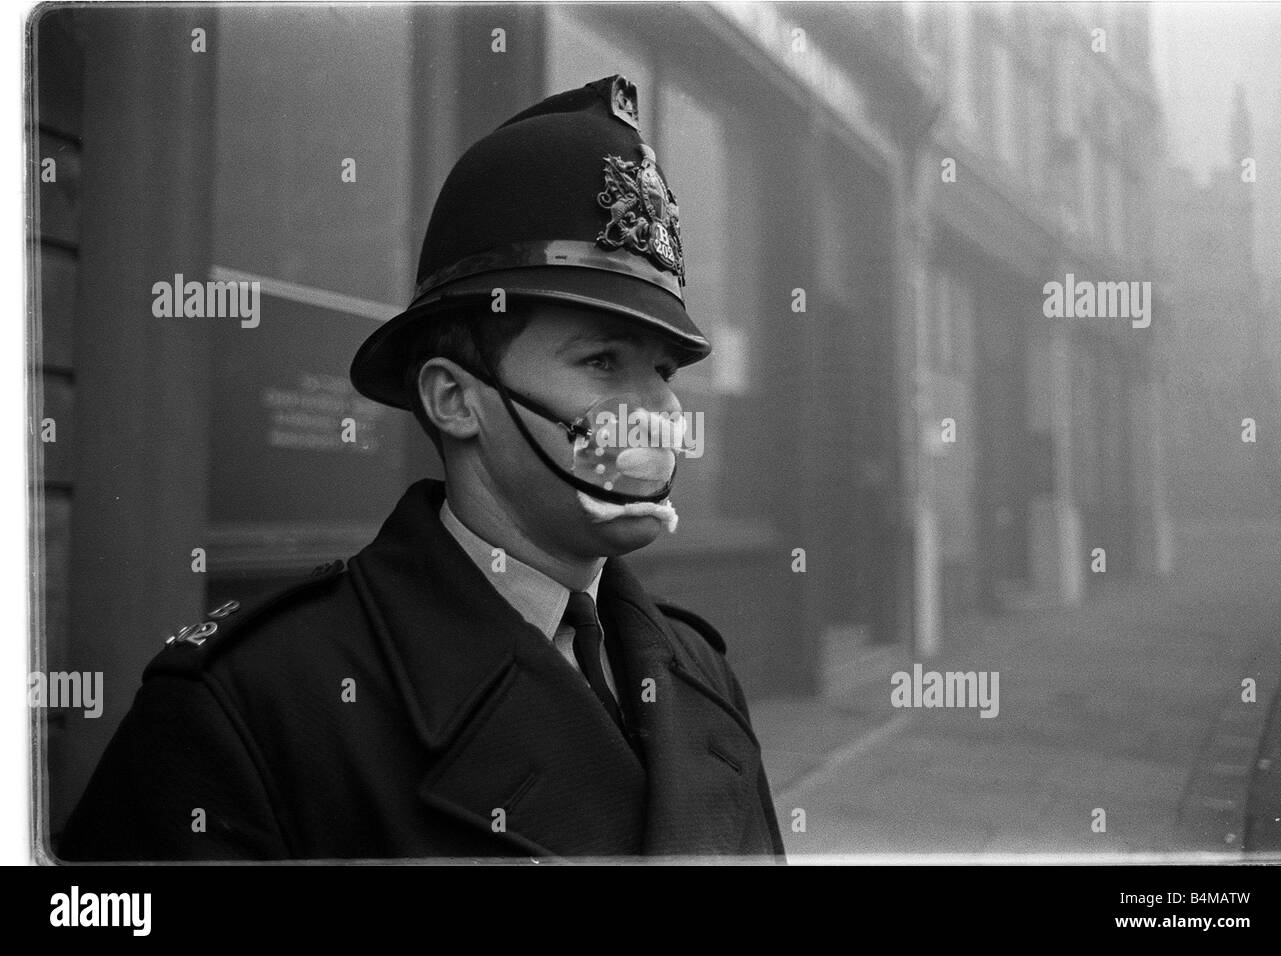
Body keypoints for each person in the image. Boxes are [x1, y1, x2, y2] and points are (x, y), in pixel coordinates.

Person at [58, 75, 784, 861]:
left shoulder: (698, 669)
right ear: (454, 399)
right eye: (604, 361)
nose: (655, 410)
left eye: (666, 373)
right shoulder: (253, 710)